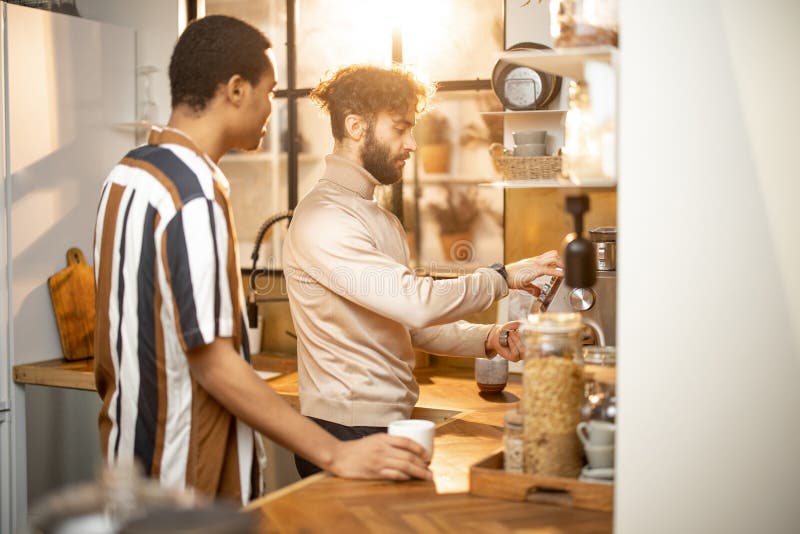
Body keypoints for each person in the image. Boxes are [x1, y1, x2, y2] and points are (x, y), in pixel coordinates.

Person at [93, 17, 431, 505]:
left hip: (129, 459)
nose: (272, 110)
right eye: (269, 92)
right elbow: (213, 364)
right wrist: (336, 454)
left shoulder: (126, 177)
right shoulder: (195, 195)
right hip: (186, 474)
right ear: (234, 90)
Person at [283, 64, 563, 477]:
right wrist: (503, 277)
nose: (411, 143)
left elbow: (412, 326)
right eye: (400, 128)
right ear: (356, 126)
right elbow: (416, 304)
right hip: (344, 430)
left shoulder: (377, 217)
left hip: (383, 424)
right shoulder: (324, 218)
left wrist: (489, 337)